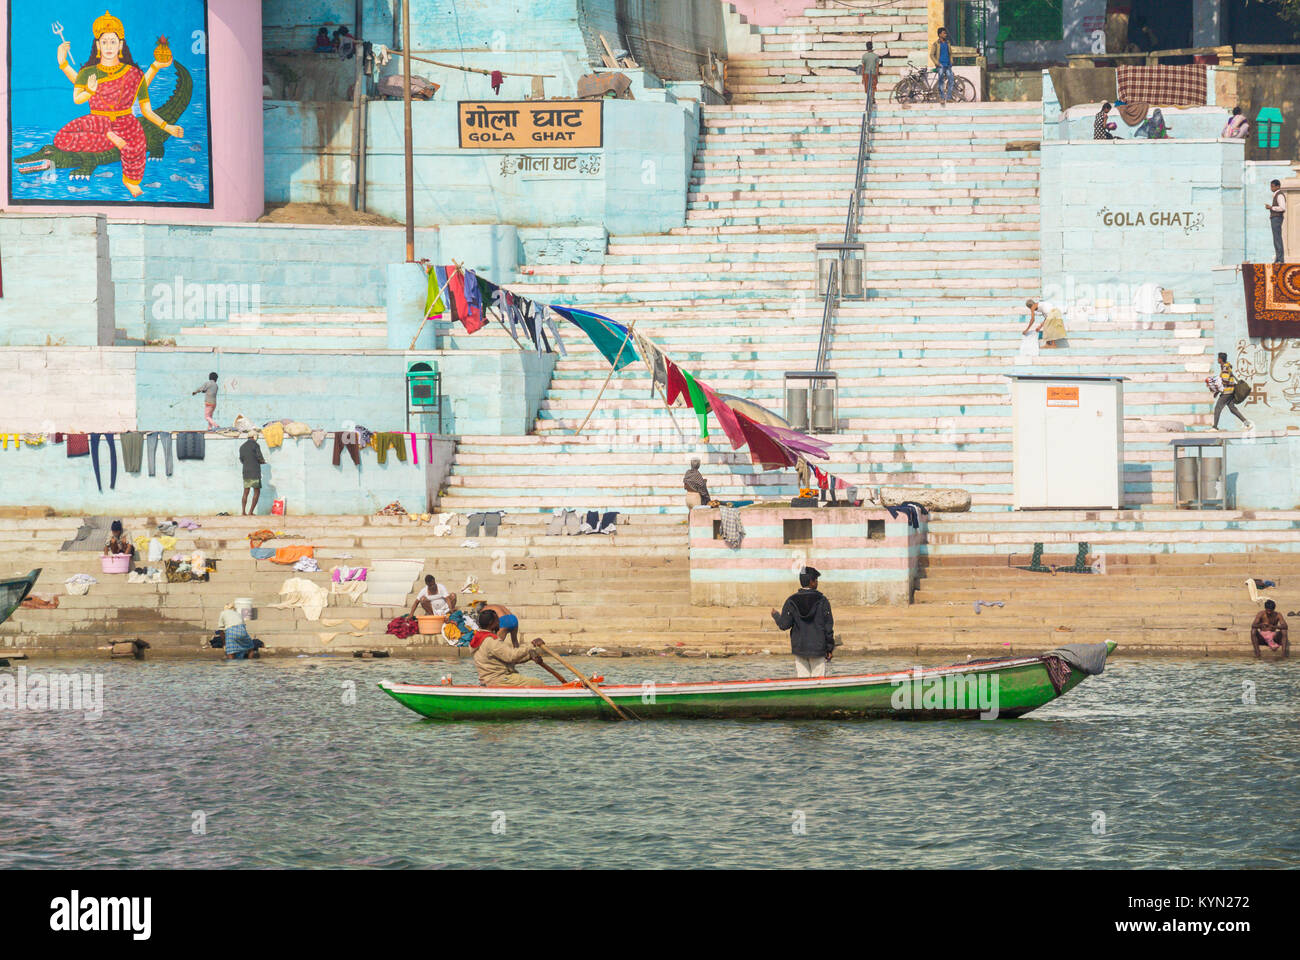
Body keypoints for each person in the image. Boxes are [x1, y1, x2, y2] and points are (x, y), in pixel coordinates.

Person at [53, 11, 184, 198]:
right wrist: (64, 64)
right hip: (97, 122)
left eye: (113, 41)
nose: (108, 46)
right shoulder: (87, 72)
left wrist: (167, 127)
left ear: (120, 45)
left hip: (126, 123)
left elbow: (146, 110)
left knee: (138, 144)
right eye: (104, 41)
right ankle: (109, 135)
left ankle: (129, 180)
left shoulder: (134, 74)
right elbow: (77, 98)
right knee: (61, 138)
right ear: (98, 45)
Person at [770, 566, 835, 678]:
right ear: (811, 582)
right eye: (816, 580)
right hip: (818, 649)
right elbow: (828, 627)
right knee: (818, 681)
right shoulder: (822, 601)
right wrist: (829, 648)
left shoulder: (791, 601)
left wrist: (776, 616)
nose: (817, 583)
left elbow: (784, 625)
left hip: (800, 649)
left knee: (803, 680)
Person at [473, 615, 549, 687]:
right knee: (538, 683)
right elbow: (511, 656)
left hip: (488, 680)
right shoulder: (492, 641)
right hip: (500, 680)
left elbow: (506, 660)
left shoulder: (478, 639)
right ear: (491, 623)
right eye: (497, 621)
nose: (499, 623)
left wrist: (529, 657)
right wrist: (532, 644)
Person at [1212, 352, 1252, 430]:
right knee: (1233, 409)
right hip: (1230, 391)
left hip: (1227, 392)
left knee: (1218, 408)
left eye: (1218, 358)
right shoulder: (1227, 367)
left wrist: (1217, 389)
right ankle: (1247, 424)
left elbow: (1225, 380)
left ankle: (1215, 427)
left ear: (1220, 359)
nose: (1217, 359)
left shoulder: (1225, 368)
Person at [239, 433, 265, 516]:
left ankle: (243, 512)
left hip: (246, 471)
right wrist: (262, 461)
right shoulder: (256, 445)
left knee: (246, 492)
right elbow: (259, 457)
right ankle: (250, 512)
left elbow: (241, 459)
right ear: (254, 437)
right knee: (256, 491)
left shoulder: (242, 446)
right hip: (254, 472)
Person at [929, 27, 954, 103]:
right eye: (944, 33)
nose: (945, 34)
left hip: (948, 65)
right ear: (940, 34)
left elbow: (950, 53)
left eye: (945, 33)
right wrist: (937, 63)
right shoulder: (936, 44)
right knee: (941, 82)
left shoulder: (948, 43)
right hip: (940, 66)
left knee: (951, 80)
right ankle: (942, 98)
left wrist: (951, 61)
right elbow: (931, 55)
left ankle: (949, 97)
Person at [1267, 179, 1287, 264]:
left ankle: (1280, 259)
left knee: (1277, 238)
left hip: (1277, 218)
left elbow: (1282, 207)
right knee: (1276, 238)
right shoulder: (1276, 195)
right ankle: (1278, 258)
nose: (1271, 188)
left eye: (1273, 186)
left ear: (1278, 186)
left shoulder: (1279, 195)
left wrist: (1271, 208)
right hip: (1275, 218)